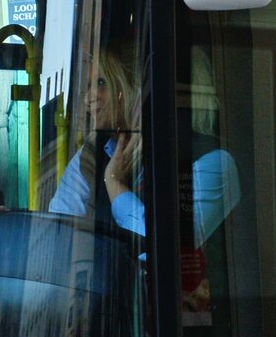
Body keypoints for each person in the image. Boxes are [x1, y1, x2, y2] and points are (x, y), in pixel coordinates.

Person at [46, 45, 239, 246]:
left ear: (136, 89)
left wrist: (114, 183)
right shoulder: (94, 153)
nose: (88, 99)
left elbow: (162, 247)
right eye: (87, 87)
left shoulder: (214, 162)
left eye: (101, 83)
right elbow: (58, 231)